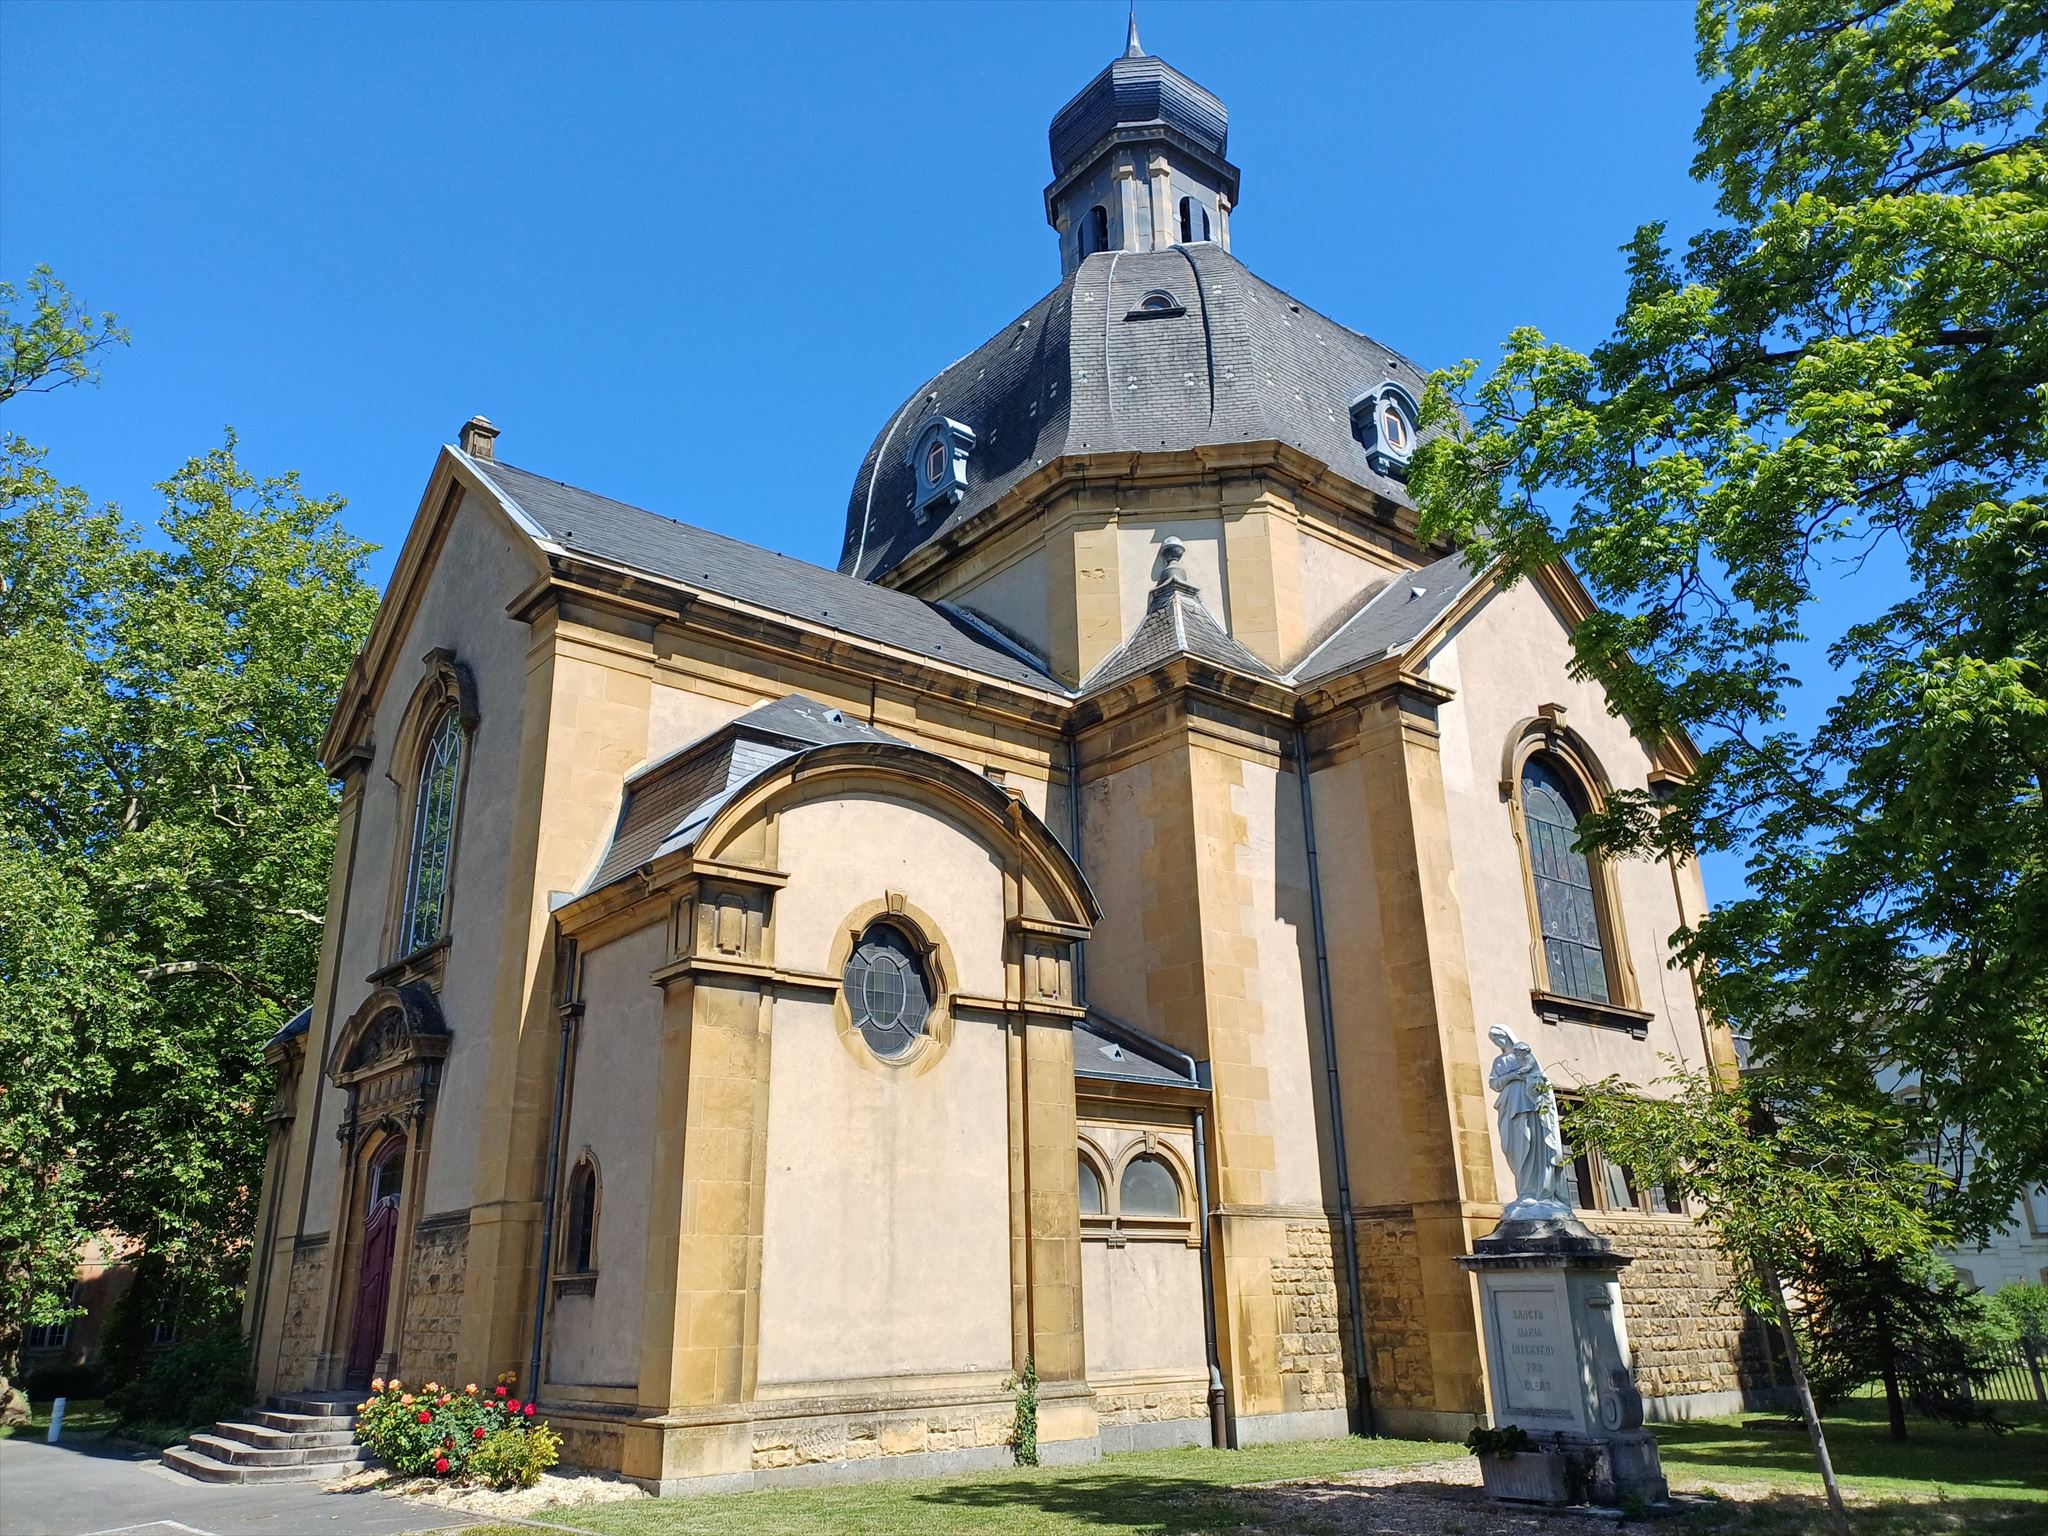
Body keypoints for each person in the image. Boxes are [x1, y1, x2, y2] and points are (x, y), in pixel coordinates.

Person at [1487, 1024, 1570, 1214]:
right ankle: (1524, 1191)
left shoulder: (1525, 1057)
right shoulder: (1499, 1061)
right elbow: (1494, 1083)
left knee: (1531, 1145)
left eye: (1498, 1037)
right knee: (1513, 1149)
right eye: (1493, 1040)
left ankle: (1536, 1192)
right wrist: (1511, 1077)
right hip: (1509, 1107)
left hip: (1529, 1105)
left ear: (1507, 1036)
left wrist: (1526, 1081)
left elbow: (1539, 1080)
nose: (1496, 1042)